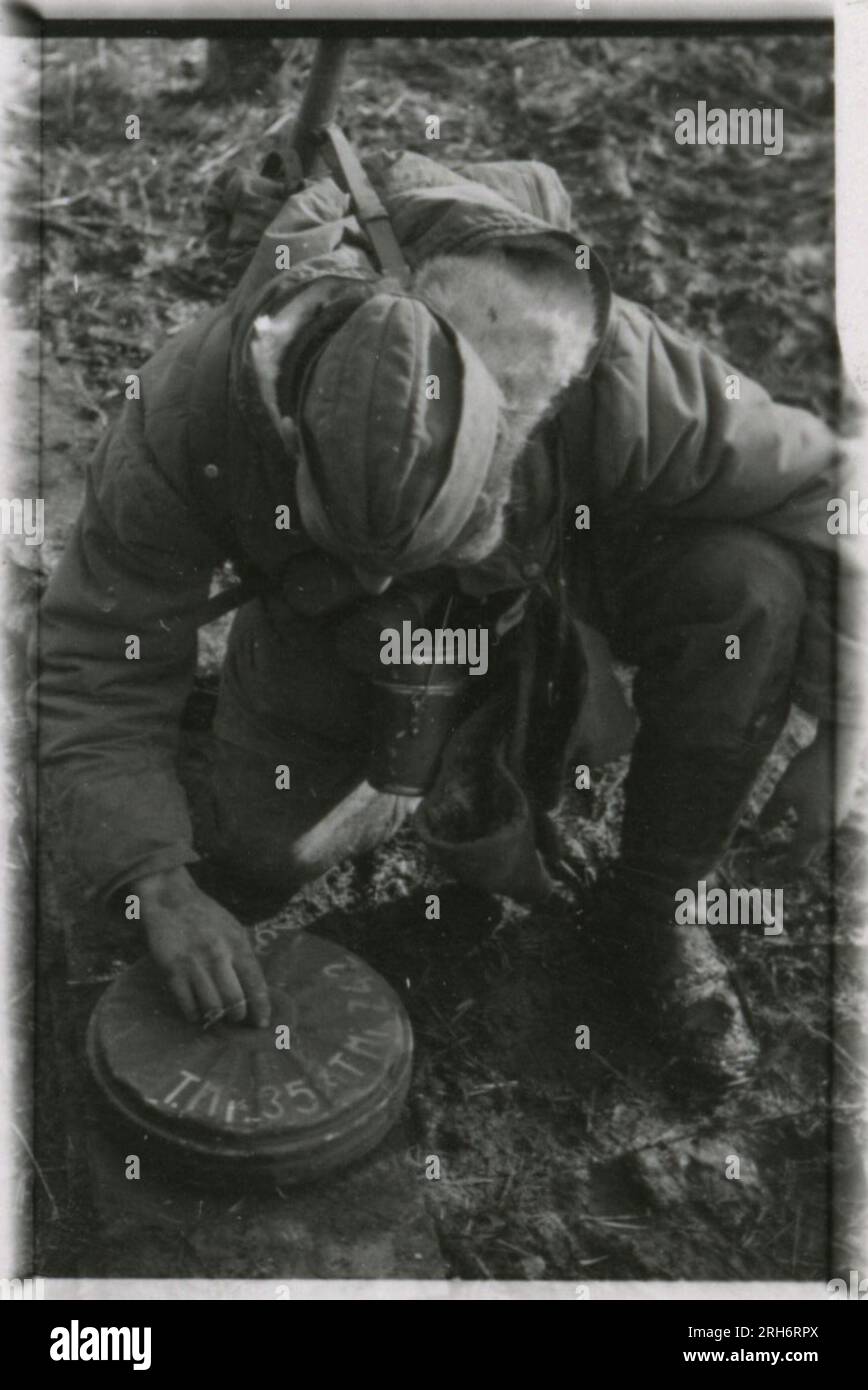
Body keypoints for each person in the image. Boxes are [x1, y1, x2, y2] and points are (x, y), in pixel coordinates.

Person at [36, 148, 865, 1087]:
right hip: (344, 637)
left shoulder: (610, 364)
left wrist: (845, 723)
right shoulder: (189, 413)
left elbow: (831, 486)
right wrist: (154, 882)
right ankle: (404, 764)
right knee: (261, 857)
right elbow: (98, 654)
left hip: (558, 578)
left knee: (750, 587)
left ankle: (651, 907)